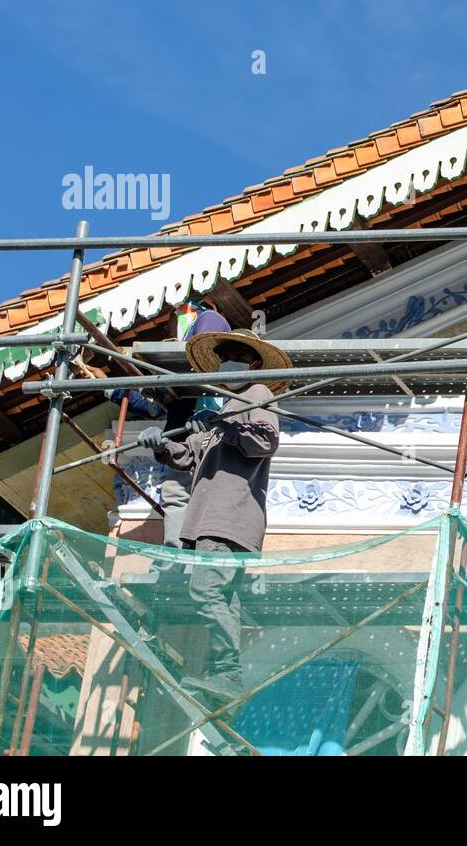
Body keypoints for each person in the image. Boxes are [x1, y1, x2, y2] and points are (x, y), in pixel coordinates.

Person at [138, 329, 292, 703]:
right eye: (224, 357)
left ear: (254, 363)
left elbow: (263, 442)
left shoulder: (256, 395)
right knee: (223, 599)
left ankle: (228, 674)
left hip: (229, 518)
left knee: (204, 590)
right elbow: (189, 453)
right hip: (212, 520)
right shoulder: (223, 408)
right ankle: (226, 678)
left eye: (235, 356)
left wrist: (224, 422)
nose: (227, 364)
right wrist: (160, 445)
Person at [110, 296, 232, 547]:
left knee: (186, 496)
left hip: (201, 433)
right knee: (177, 495)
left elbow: (203, 357)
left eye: (172, 324)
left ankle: (181, 557)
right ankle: (179, 554)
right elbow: (156, 406)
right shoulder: (180, 382)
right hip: (182, 441)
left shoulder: (209, 318)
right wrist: (113, 391)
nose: (171, 331)